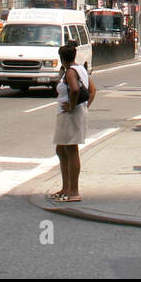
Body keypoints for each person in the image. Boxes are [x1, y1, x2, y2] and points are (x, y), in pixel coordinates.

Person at [50, 43, 95, 202]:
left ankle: (73, 191)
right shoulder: (81, 69)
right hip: (75, 113)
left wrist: (72, 106)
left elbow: (75, 89)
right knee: (62, 149)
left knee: (70, 149)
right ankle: (66, 188)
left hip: (69, 114)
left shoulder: (70, 72)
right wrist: (84, 106)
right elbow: (92, 90)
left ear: (62, 58)